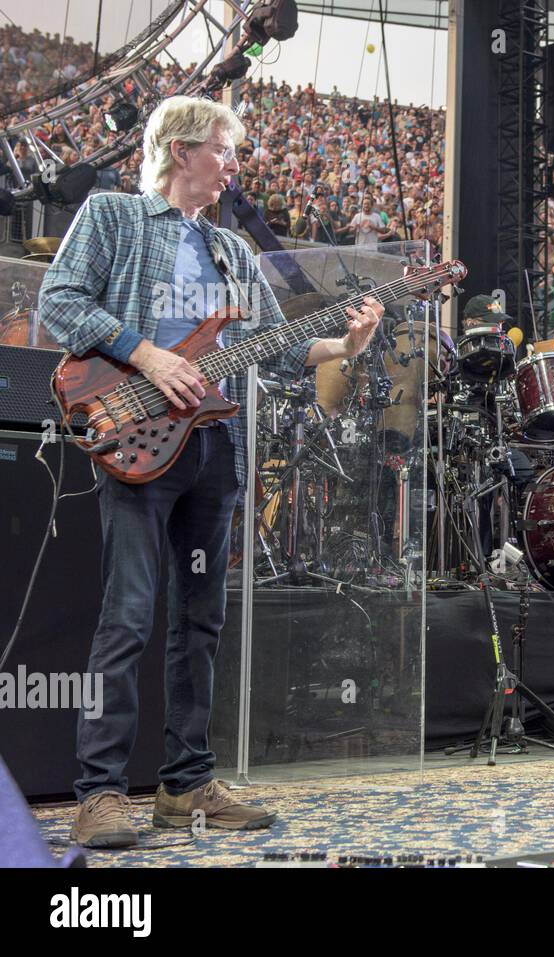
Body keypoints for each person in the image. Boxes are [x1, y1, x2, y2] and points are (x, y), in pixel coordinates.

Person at [37, 95, 382, 848]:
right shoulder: (112, 217)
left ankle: (186, 784)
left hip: (213, 451)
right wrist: (146, 352)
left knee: (201, 618)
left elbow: (278, 346)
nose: (232, 167)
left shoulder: (232, 254)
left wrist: (346, 347)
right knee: (128, 611)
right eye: (224, 152)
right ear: (184, 149)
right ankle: (99, 791)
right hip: (135, 436)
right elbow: (58, 301)